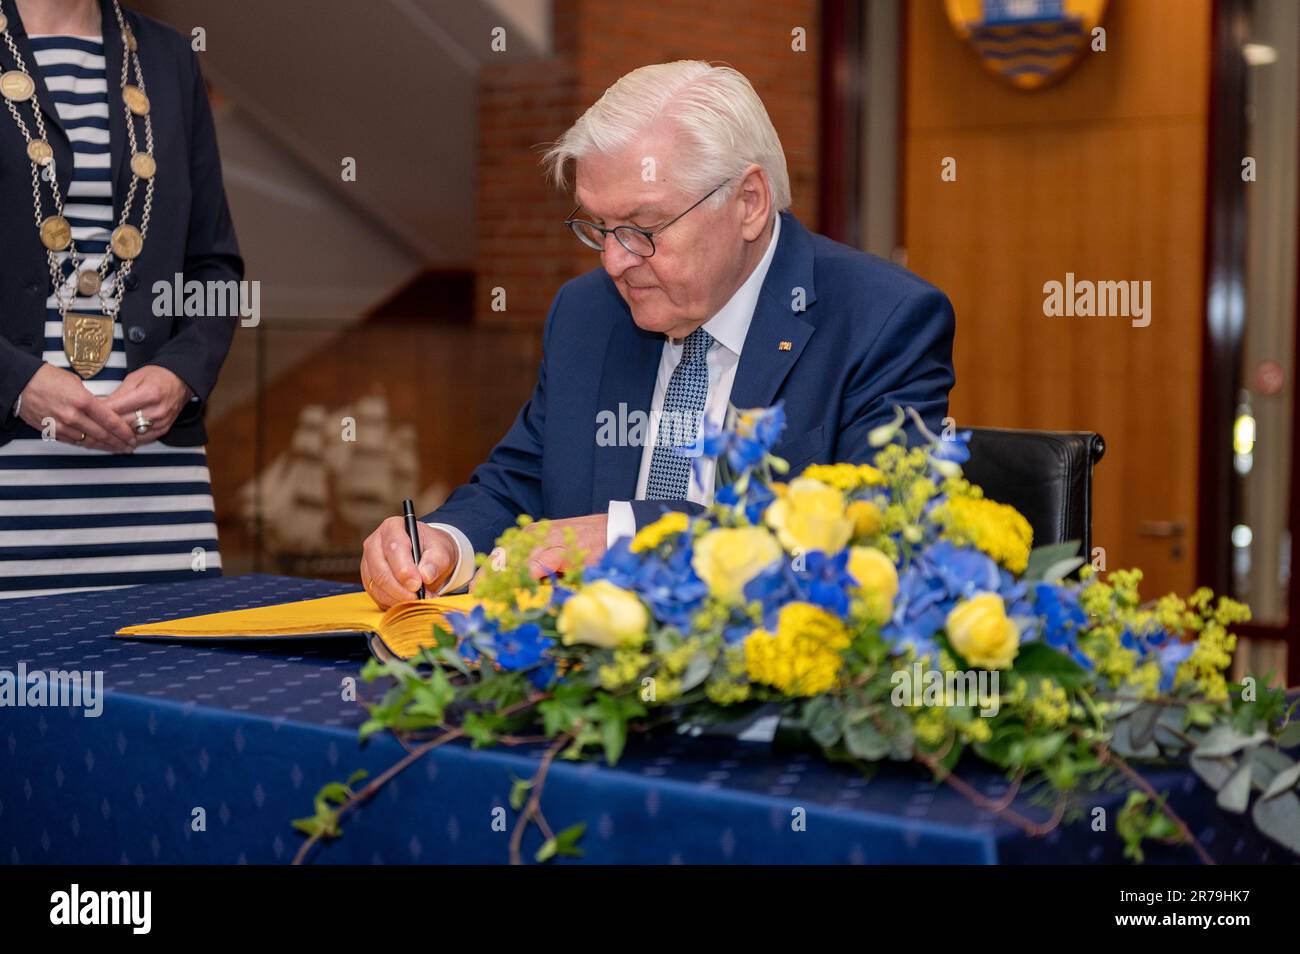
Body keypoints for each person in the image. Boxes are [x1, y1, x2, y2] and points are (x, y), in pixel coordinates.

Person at [361, 60, 954, 609]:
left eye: (643, 227)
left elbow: (870, 539)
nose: (615, 262)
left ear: (748, 202)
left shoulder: (883, 321)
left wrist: (627, 536)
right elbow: (520, 484)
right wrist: (443, 543)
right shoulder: (587, 313)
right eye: (599, 226)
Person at [0, 0, 240, 597]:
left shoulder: (169, 57)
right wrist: (17, 382)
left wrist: (182, 372)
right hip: (13, 490)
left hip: (158, 494)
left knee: (168, 684)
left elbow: (215, 268)